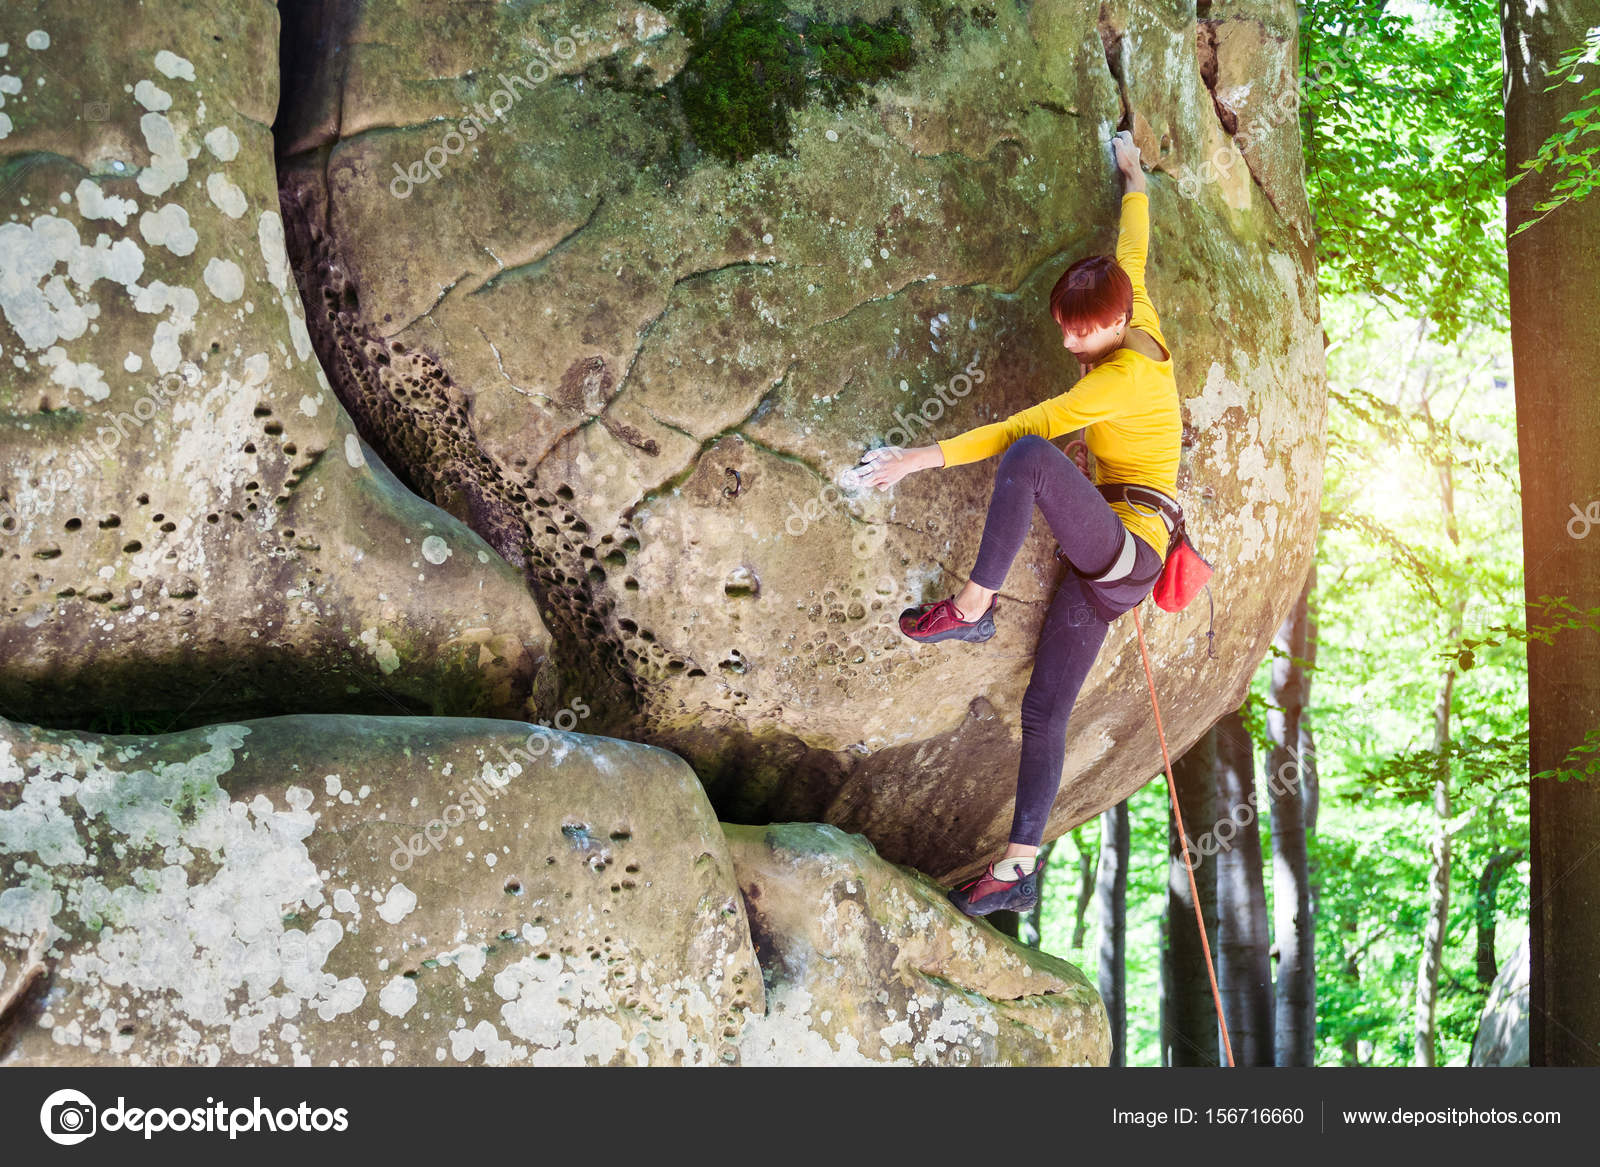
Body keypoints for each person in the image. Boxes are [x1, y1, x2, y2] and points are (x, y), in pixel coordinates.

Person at [854, 129, 1182, 916]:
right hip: (1113, 565)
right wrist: (1132, 174)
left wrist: (916, 459)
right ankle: (1019, 867)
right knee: (1044, 709)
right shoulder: (1134, 299)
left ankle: (972, 611)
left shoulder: (1122, 380)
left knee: (1034, 457)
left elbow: (1018, 436)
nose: (1069, 342)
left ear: (1114, 325)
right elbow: (1133, 235)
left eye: (1081, 333)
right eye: (1063, 327)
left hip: (1129, 546)